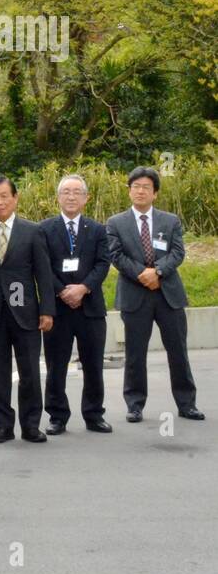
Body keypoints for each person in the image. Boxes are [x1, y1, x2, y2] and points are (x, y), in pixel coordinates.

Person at [105, 167, 204, 423]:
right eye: (135, 186)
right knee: (135, 353)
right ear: (129, 191)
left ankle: (187, 404)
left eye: (146, 187)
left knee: (178, 351)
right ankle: (135, 405)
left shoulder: (170, 221)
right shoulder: (116, 223)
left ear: (155, 193)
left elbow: (178, 253)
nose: (140, 191)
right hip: (135, 295)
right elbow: (116, 255)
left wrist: (157, 272)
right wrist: (143, 275)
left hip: (168, 294)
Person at [0, 176, 55, 443]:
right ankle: (2, 426)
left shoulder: (33, 230)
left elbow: (43, 273)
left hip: (25, 311)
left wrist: (47, 310)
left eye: (4, 196)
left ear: (15, 198)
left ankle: (31, 425)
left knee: (29, 371)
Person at [39, 174, 112, 434]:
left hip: (90, 307)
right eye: (66, 192)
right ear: (58, 197)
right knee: (55, 365)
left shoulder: (97, 229)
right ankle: (57, 416)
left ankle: (94, 414)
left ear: (86, 198)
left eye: (77, 192)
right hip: (57, 310)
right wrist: (62, 291)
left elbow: (103, 263)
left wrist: (83, 288)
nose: (71, 196)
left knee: (93, 364)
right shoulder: (45, 229)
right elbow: (43, 266)